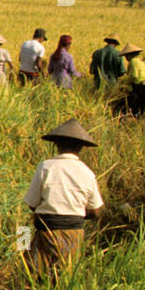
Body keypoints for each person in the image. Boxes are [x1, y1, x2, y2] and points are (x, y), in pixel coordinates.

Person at [23, 118, 103, 278]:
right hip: (74, 233)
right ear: (81, 147)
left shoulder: (46, 167)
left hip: (46, 231)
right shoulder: (87, 173)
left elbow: (32, 203)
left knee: (30, 273)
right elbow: (95, 211)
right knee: (64, 276)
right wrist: (74, 213)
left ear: (56, 144)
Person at [117, 43, 145, 117]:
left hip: (136, 87)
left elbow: (134, 76)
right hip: (143, 86)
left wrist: (124, 82)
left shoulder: (133, 61)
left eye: (126, 56)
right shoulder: (140, 61)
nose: (126, 58)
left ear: (130, 55)